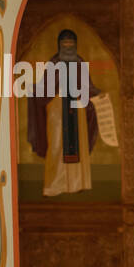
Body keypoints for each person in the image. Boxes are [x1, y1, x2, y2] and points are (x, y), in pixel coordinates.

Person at [26, 28, 101, 197]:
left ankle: (78, 183)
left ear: (75, 45)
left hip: (77, 107)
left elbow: (87, 86)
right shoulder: (53, 63)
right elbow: (45, 87)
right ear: (59, 45)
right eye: (64, 43)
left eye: (71, 43)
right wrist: (35, 91)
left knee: (78, 145)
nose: (68, 46)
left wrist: (96, 93)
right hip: (57, 108)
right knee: (57, 145)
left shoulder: (80, 63)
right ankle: (54, 185)